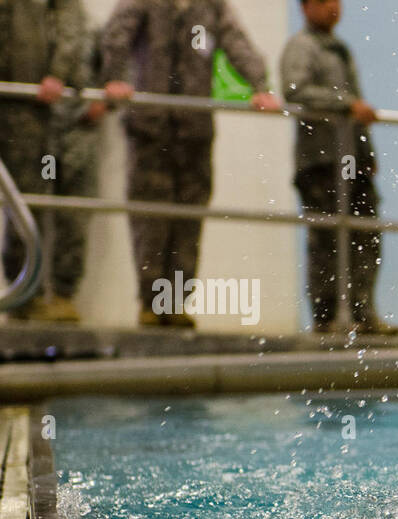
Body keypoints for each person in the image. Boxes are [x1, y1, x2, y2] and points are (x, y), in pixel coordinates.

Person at [101, 0, 281, 329]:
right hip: (150, 128)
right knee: (150, 217)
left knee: (189, 218)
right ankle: (151, 302)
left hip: (194, 131)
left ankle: (175, 303)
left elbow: (236, 41)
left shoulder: (212, 5)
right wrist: (113, 77)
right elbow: (116, 33)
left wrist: (259, 86)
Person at [282, 0, 398, 336]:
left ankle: (363, 313)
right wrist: (345, 104)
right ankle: (325, 316)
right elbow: (295, 90)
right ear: (305, 8)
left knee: (366, 234)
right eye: (323, 1)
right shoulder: (301, 48)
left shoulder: (340, 49)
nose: (333, 7)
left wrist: (366, 153)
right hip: (320, 161)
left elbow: (356, 106)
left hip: (350, 160)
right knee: (326, 239)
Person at [0, 0, 90, 323]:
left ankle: (25, 297)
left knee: (27, 201)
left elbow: (70, 25)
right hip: (15, 96)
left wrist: (58, 73)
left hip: (27, 106)